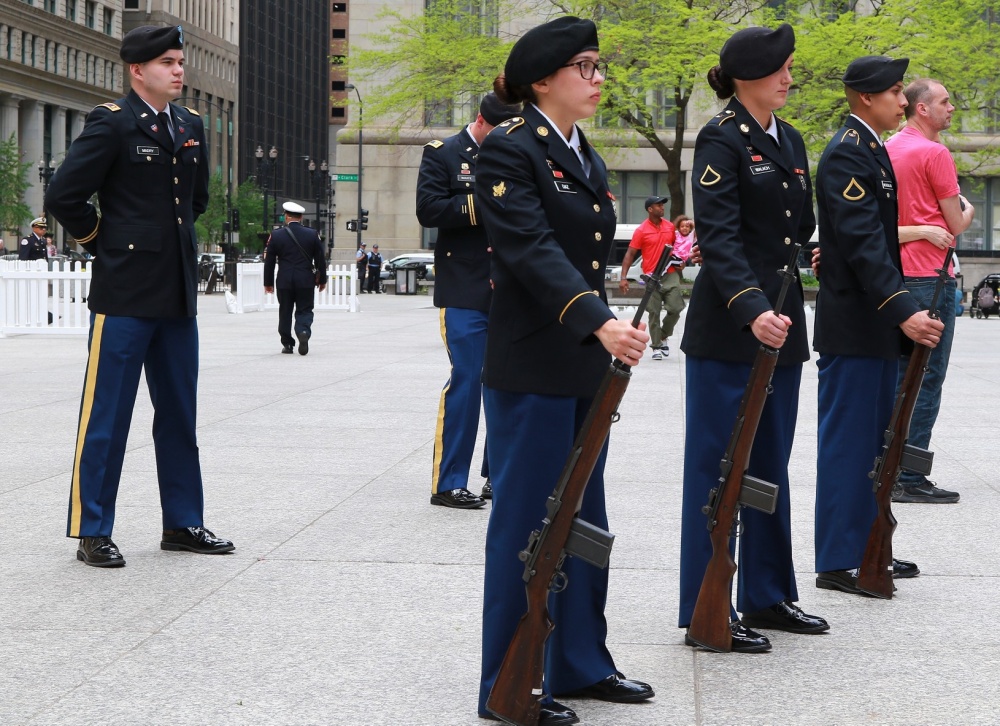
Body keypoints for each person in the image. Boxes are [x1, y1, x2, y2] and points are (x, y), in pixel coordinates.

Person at [475, 16, 654, 725]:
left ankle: (579, 661)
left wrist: (603, 327)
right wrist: (599, 319)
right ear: (542, 79)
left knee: (584, 518)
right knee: (526, 524)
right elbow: (530, 249)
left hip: (584, 364)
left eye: (599, 65)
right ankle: (508, 679)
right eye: (585, 66)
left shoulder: (587, 157)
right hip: (532, 364)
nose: (598, 77)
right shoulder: (509, 152)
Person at [44, 24, 234, 568]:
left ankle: (182, 522)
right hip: (125, 293)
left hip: (175, 292)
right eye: (168, 63)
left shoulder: (190, 124)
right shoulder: (111, 123)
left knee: (179, 413)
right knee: (108, 414)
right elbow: (64, 195)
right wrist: (101, 241)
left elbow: (194, 202)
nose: (179, 71)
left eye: (180, 62)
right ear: (137, 70)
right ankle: (92, 529)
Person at [678, 23, 828, 654]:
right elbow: (719, 235)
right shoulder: (722, 139)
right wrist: (751, 307)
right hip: (732, 329)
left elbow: (800, 226)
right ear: (747, 78)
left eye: (790, 68)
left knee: (769, 464)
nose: (790, 78)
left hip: (784, 325)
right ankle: (704, 601)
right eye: (780, 69)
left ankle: (767, 594)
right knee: (717, 467)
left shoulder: (789, 139)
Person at [812, 55, 944, 595]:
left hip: (871, 325)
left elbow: (857, 240)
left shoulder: (871, 151)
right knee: (849, 444)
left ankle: (869, 543)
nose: (902, 101)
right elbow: (866, 244)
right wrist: (904, 309)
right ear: (866, 97)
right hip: (855, 325)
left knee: (873, 444)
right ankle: (840, 558)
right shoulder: (849, 154)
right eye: (894, 92)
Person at [417, 92, 521, 509]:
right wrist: (485, 205)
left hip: (510, 284)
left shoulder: (516, 152)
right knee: (467, 377)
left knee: (510, 381)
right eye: (497, 131)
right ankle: (449, 481)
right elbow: (429, 209)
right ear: (480, 121)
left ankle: (499, 473)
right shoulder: (444, 153)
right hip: (464, 284)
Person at [886, 78, 973, 504]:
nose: (951, 107)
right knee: (927, 378)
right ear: (921, 109)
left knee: (899, 376)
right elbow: (956, 223)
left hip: (893, 279)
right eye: (944, 101)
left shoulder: (887, 148)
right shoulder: (934, 153)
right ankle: (909, 475)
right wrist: (967, 207)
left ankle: (886, 464)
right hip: (930, 278)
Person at [618, 196, 681, 360]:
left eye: (662, 205)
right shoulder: (641, 230)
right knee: (654, 312)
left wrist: (682, 260)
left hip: (670, 274)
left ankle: (663, 335)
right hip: (651, 276)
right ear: (650, 209)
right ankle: (657, 347)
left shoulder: (669, 227)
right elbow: (630, 254)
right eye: (658, 205)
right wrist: (623, 277)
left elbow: (678, 249)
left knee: (675, 308)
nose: (662, 207)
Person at [263, 201, 328, 355]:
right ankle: (303, 331)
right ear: (301, 217)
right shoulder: (312, 234)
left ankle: (287, 343)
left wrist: (268, 283)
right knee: (304, 309)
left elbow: (270, 261)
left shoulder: (276, 235)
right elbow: (320, 259)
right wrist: (322, 280)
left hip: (284, 280)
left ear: (286, 216)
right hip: (305, 279)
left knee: (285, 310)